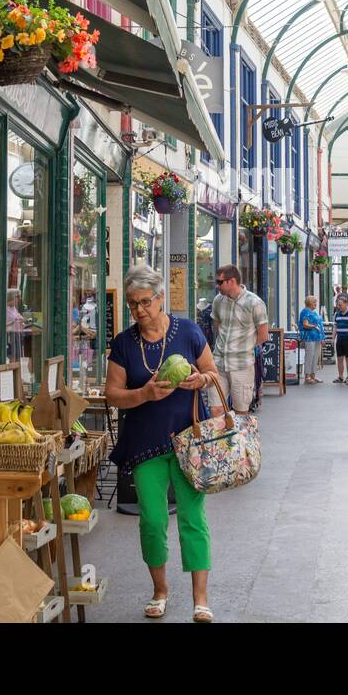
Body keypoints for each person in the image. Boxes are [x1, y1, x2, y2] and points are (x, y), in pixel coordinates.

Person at [105, 265, 223, 623]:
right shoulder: (125, 344)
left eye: (144, 302)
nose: (139, 311)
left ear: (160, 299)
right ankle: (160, 591)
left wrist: (200, 380)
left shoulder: (187, 331)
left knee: (192, 518)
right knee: (153, 521)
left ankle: (200, 599)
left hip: (189, 439)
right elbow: (112, 395)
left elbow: (213, 372)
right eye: (132, 304)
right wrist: (143, 393)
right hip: (145, 444)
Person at [211, 264, 269, 415]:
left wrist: (244, 347)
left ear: (231, 281)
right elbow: (216, 326)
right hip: (219, 363)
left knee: (241, 412)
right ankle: (220, 439)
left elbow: (263, 335)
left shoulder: (254, 303)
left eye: (220, 282)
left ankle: (237, 439)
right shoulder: (218, 301)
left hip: (242, 365)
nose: (217, 286)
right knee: (215, 410)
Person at [297, 296, 325, 384]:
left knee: (315, 356)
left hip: (317, 337)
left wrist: (322, 337)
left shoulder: (314, 312)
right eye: (314, 302)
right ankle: (307, 376)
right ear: (309, 303)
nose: (316, 304)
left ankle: (313, 375)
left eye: (315, 302)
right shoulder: (305, 311)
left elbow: (319, 325)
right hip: (309, 337)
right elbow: (305, 325)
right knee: (309, 356)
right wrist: (314, 326)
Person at [332, 294, 348, 383]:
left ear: (346, 304)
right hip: (340, 339)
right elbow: (335, 327)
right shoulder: (337, 314)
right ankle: (340, 376)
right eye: (338, 304)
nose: (338, 306)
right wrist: (332, 338)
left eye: (340, 305)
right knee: (339, 359)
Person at [5, 288, 24, 362]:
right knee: (12, 352)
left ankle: (16, 367)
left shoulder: (13, 308)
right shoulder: (6, 308)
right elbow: (11, 319)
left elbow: (19, 317)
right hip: (10, 333)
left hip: (17, 332)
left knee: (17, 353)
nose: (18, 300)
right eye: (17, 298)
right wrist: (17, 319)